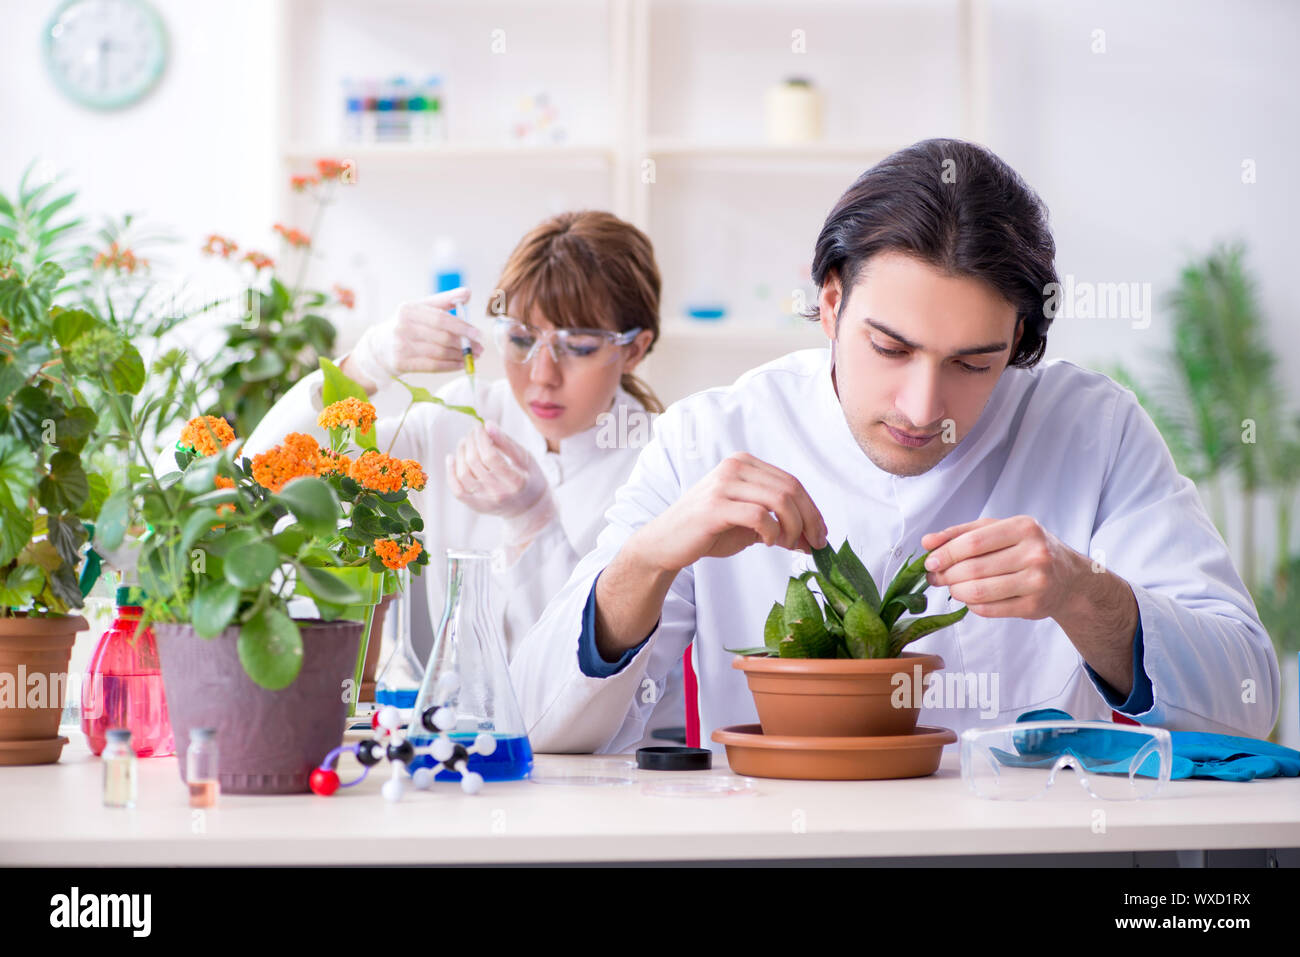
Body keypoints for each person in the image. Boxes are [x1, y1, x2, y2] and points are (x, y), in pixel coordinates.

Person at [509, 138, 1280, 754]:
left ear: (1017, 343)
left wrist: (1085, 593)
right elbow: (542, 726)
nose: (922, 407)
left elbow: (1247, 701)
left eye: (973, 363)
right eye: (890, 347)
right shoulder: (711, 434)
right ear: (832, 304)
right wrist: (647, 559)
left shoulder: (1093, 428)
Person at [245, 210, 685, 751]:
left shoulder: (664, 460)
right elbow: (264, 474)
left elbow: (577, 708)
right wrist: (368, 362)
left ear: (635, 347)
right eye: (522, 339)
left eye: (578, 346)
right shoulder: (461, 415)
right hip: (455, 760)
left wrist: (534, 525)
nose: (542, 373)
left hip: (597, 780)